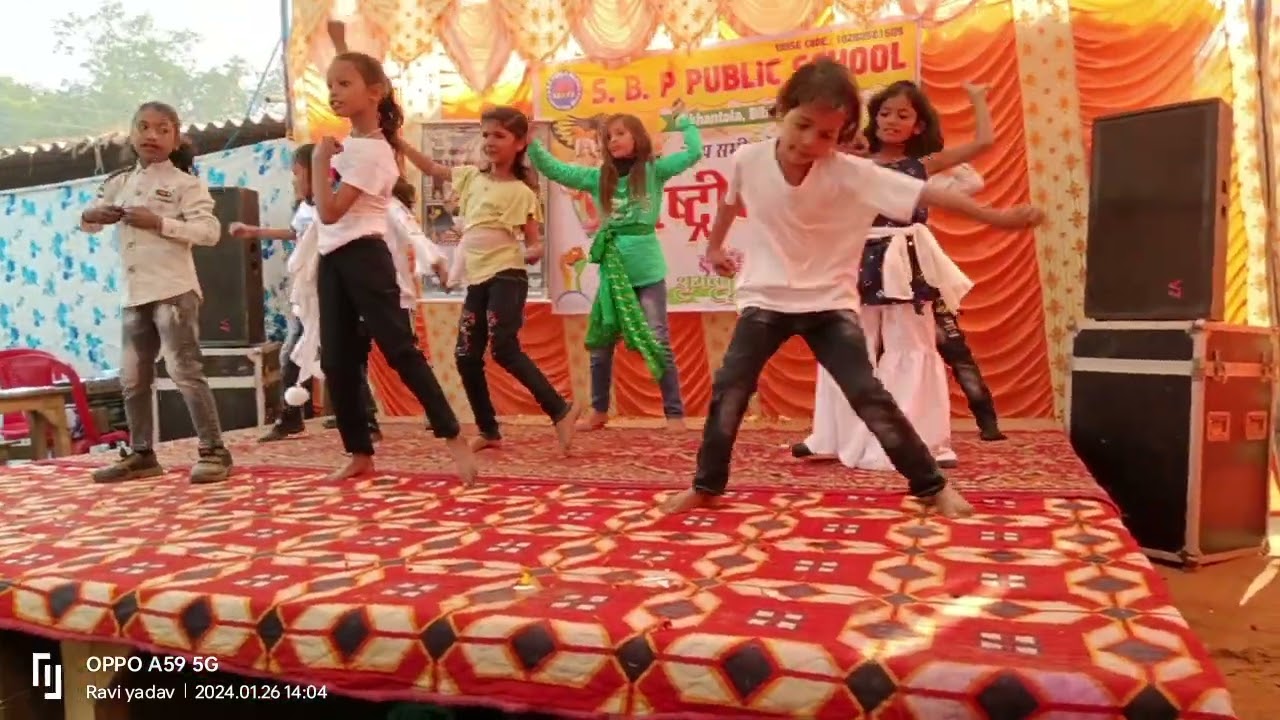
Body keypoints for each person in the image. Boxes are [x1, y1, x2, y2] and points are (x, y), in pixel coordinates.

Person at [661, 59, 1043, 517]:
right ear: (783, 110)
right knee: (730, 388)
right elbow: (729, 203)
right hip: (766, 297)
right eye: (802, 125)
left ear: (841, 136)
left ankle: (931, 485)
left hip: (829, 303)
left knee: (867, 392)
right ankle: (706, 485)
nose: (809, 142)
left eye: (825, 135)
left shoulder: (849, 172)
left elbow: (929, 195)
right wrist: (714, 246)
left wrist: (999, 219)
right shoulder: (748, 159)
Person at [286, 51, 476, 483]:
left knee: (398, 350)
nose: (334, 92)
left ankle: (453, 436)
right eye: (330, 84)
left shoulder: (373, 153)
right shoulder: (348, 146)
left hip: (364, 257)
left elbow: (330, 211)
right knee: (337, 360)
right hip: (333, 259)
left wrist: (318, 163)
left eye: (345, 83)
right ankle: (359, 452)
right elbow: (322, 214)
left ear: (375, 93)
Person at [798, 80, 1000, 470]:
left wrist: (977, 98)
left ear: (918, 126)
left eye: (902, 115)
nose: (891, 120)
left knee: (912, 345)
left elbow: (984, 142)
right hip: (854, 257)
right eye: (885, 113)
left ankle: (919, 438)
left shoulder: (920, 166)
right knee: (848, 348)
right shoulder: (851, 161)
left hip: (905, 261)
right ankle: (834, 436)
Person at [398, 107, 579, 455]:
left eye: (499, 135)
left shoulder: (523, 193)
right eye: (485, 135)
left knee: (504, 348)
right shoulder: (469, 177)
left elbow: (534, 240)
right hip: (478, 280)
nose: (490, 142)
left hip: (507, 276)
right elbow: (432, 169)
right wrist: (400, 144)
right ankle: (489, 429)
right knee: (466, 355)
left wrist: (535, 251)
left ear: (520, 143)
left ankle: (559, 410)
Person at [79, 101, 232, 484]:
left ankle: (214, 450)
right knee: (133, 379)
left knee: (184, 371)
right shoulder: (118, 182)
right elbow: (90, 222)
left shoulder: (185, 184)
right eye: (143, 127)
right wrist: (90, 217)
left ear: (175, 138)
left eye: (162, 129)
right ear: (131, 134)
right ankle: (143, 454)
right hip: (134, 294)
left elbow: (210, 233)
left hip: (174, 291)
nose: (151, 135)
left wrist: (159, 223)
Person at [527, 102, 703, 432]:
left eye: (620, 134)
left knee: (658, 339)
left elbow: (694, 152)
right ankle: (599, 411)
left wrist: (683, 121)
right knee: (602, 342)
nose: (613, 141)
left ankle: (674, 414)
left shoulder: (654, 171)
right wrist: (533, 143)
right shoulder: (597, 177)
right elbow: (556, 170)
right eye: (608, 137)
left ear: (638, 136)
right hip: (613, 270)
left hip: (647, 269)